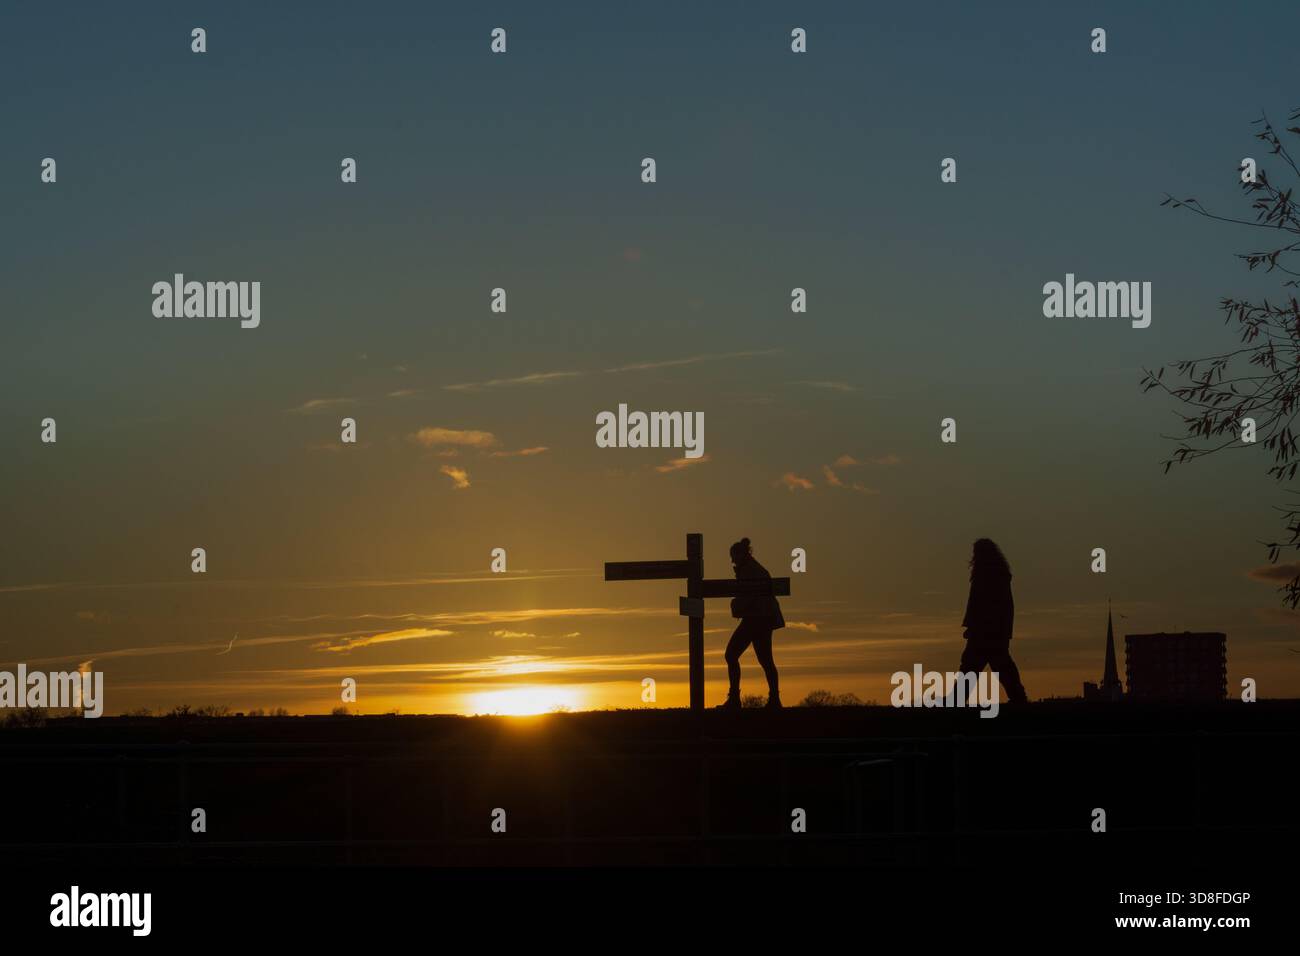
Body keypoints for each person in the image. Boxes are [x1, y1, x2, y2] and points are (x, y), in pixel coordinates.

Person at [957, 538, 1028, 704]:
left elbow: (981, 604)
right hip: (996, 631)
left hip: (986, 631)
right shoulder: (998, 574)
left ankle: (957, 699)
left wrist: (974, 626)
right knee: (999, 666)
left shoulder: (986, 575)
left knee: (973, 665)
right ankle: (1018, 697)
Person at [718, 537, 785, 709]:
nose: (732, 560)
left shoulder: (749, 570)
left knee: (731, 654)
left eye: (733, 556)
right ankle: (774, 699)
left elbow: (749, 597)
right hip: (763, 619)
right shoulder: (752, 568)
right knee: (766, 660)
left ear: (741, 555)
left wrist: (735, 606)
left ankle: (735, 699)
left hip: (756, 619)